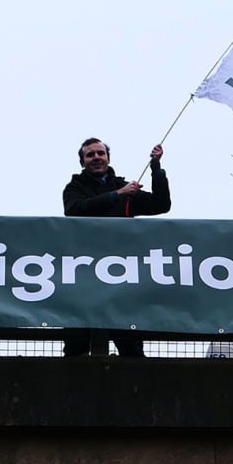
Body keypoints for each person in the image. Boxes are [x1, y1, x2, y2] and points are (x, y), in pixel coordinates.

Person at [62, 138, 171, 357]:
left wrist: (156, 169)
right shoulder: (74, 188)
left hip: (122, 273)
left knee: (130, 342)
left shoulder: (123, 188)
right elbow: (75, 209)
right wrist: (117, 195)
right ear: (82, 162)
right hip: (84, 273)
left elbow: (162, 204)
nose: (96, 158)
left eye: (100, 153)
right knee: (77, 343)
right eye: (90, 154)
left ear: (108, 158)